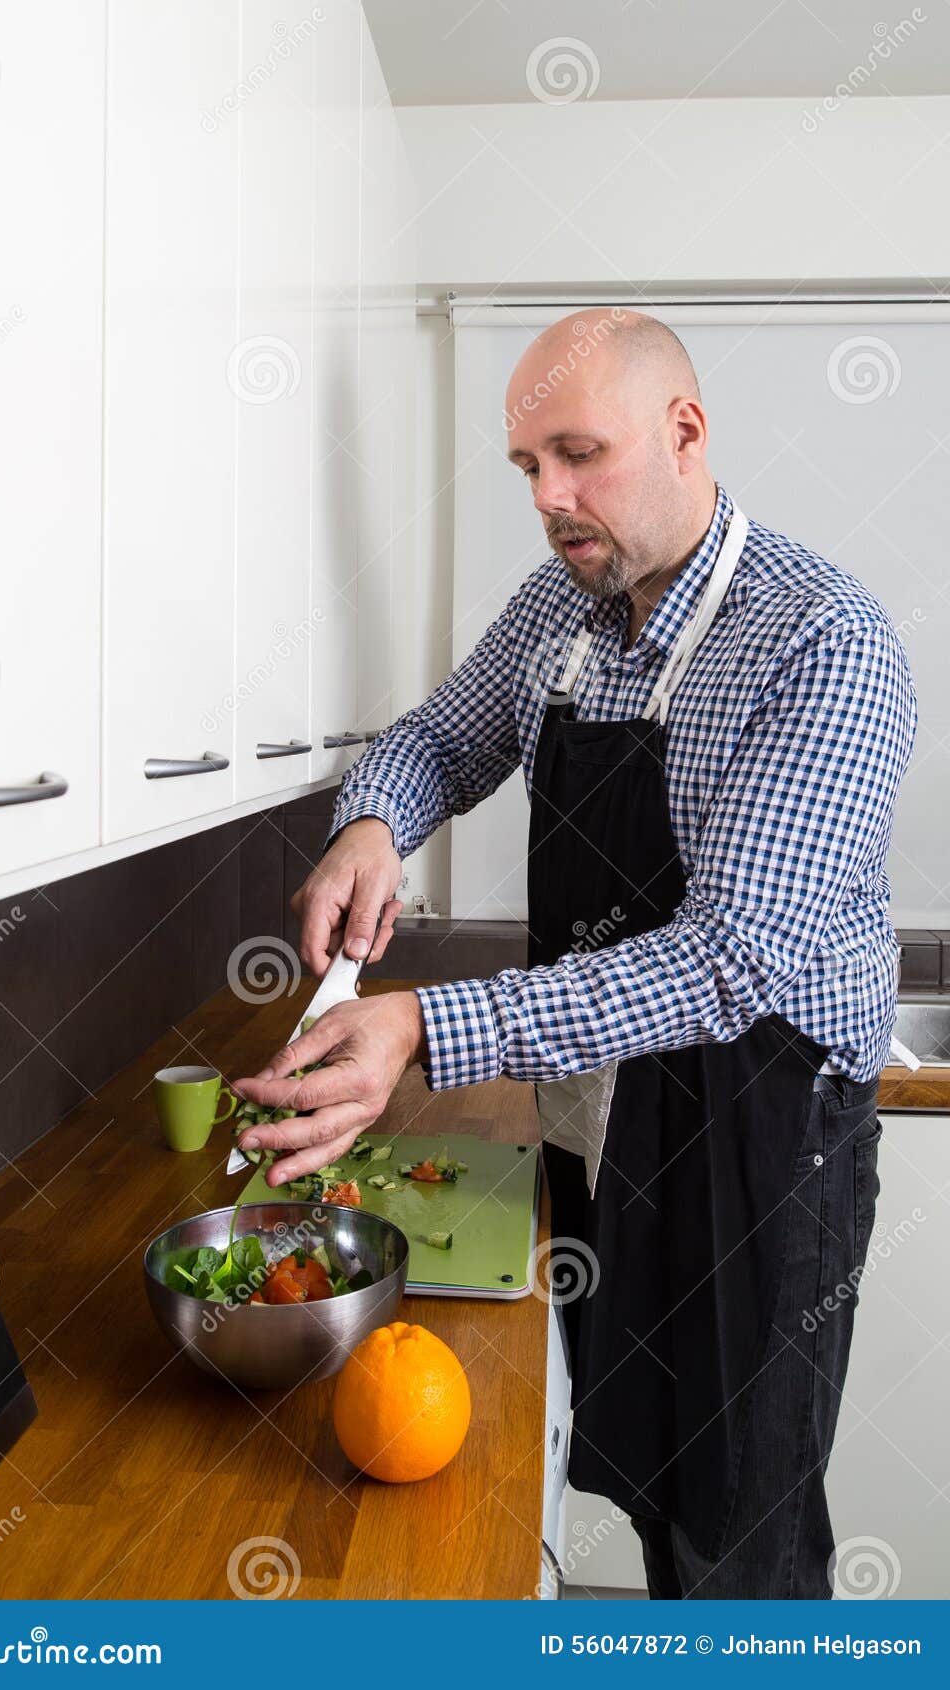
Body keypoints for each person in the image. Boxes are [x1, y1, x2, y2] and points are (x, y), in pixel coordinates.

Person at [234, 308, 917, 1599]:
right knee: (644, 1467)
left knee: (740, 1535)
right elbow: (438, 737)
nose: (549, 499)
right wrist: (374, 823)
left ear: (686, 432)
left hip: (764, 1135)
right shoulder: (562, 605)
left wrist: (424, 1025)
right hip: (604, 1110)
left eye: (577, 454)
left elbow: (730, 963)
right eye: (525, 468)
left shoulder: (821, 643)